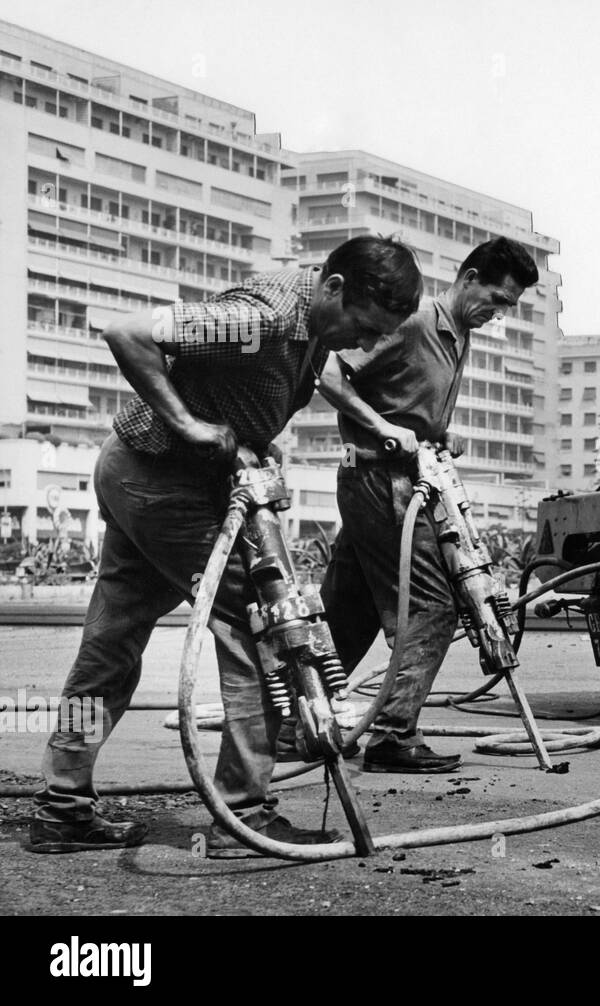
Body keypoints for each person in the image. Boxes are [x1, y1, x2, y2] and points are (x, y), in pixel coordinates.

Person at [29, 236, 424, 856]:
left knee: (113, 636)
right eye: (362, 326)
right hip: (161, 478)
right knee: (258, 626)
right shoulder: (260, 317)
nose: (363, 343)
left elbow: (314, 367)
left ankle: (62, 804)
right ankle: (242, 814)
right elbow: (127, 331)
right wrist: (191, 426)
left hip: (145, 470)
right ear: (335, 288)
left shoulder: (315, 321)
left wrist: (371, 426)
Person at [308, 237, 540, 773]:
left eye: (510, 307)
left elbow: (409, 402)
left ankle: (300, 724)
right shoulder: (415, 322)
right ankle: (391, 737)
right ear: (470, 277)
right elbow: (329, 372)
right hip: (379, 481)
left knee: (352, 606)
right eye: (497, 299)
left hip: (399, 480)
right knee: (431, 606)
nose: (499, 313)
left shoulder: (460, 336)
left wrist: (436, 433)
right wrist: (385, 429)